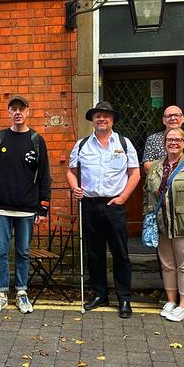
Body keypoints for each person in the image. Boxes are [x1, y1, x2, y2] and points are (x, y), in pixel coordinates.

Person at [67, 101, 140, 319]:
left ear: (112, 120)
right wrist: (74, 188)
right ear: (92, 120)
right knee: (94, 253)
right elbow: (71, 171)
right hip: (89, 205)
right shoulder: (81, 145)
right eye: (98, 115)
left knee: (120, 253)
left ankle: (124, 298)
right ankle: (100, 294)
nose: (102, 119)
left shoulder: (124, 144)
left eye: (106, 116)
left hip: (114, 205)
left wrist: (123, 197)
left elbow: (135, 173)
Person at [0, 95, 51, 315]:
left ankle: (21, 292)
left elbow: (45, 177)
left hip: (27, 208)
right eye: (13, 109)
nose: (18, 112)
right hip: (1, 207)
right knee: (1, 251)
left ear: (28, 111)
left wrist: (43, 207)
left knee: (23, 252)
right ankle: (1, 293)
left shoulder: (37, 141)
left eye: (21, 109)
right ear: (8, 112)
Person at [143, 128, 184, 322]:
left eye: (178, 139)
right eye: (170, 139)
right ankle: (171, 301)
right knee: (168, 265)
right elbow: (148, 194)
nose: (173, 143)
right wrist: (149, 216)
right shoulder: (155, 166)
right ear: (164, 142)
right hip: (162, 224)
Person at [142, 105, 184, 171]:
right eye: (169, 116)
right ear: (163, 120)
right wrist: (166, 173)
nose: (173, 118)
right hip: (160, 179)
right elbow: (147, 164)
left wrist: (183, 174)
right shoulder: (152, 139)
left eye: (176, 115)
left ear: (183, 119)